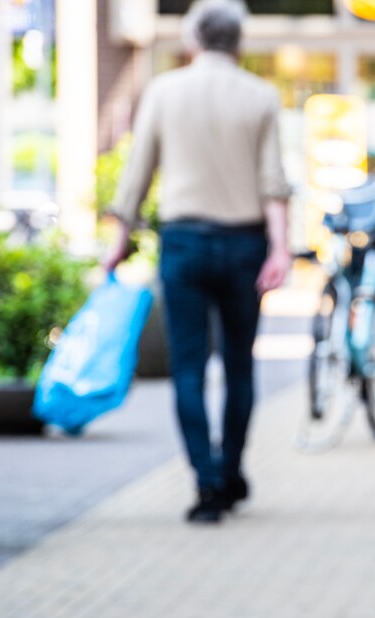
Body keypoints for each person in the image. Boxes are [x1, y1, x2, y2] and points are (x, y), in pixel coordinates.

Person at [103, 0, 292, 524]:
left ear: (192, 41)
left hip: (183, 242)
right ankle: (231, 472)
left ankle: (206, 482)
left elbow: (136, 173)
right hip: (245, 245)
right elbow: (273, 182)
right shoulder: (261, 96)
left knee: (188, 367)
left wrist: (118, 239)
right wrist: (280, 249)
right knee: (238, 365)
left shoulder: (165, 91)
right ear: (238, 41)